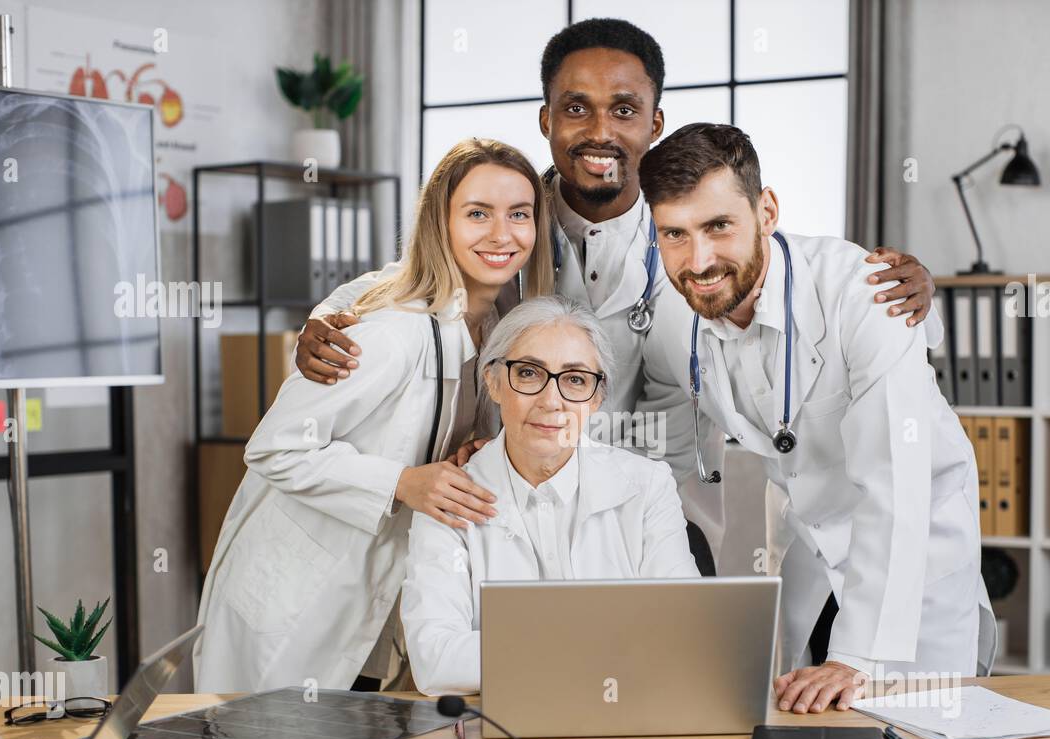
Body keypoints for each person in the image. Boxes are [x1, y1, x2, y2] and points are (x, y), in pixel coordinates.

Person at [290, 18, 941, 574]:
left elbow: (797, 280)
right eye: (576, 108)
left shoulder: (700, 238)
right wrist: (322, 320)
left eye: (624, 109)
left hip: (666, 524)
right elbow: (415, 274)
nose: (600, 130)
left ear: (654, 123)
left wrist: (907, 300)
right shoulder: (505, 228)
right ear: (546, 120)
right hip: (510, 516)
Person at [637, 123, 997, 715]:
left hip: (916, 551)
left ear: (767, 209)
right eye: (674, 233)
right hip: (806, 545)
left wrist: (855, 657)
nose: (697, 260)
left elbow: (895, 482)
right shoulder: (677, 321)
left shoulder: (867, 294)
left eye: (718, 226)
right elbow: (642, 419)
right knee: (796, 733)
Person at [192, 138, 552, 693]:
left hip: (375, 608)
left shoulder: (504, 324)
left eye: (519, 214)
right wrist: (404, 482)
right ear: (441, 222)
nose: (502, 234)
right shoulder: (392, 332)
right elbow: (275, 447)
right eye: (477, 213)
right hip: (298, 603)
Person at [400, 296, 698, 695]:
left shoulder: (647, 487)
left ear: (596, 398)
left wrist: (524, 652)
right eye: (528, 373)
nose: (551, 400)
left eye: (575, 379)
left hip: (625, 718)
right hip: (496, 732)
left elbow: (686, 631)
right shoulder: (448, 497)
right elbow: (435, 661)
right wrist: (607, 644)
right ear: (492, 381)